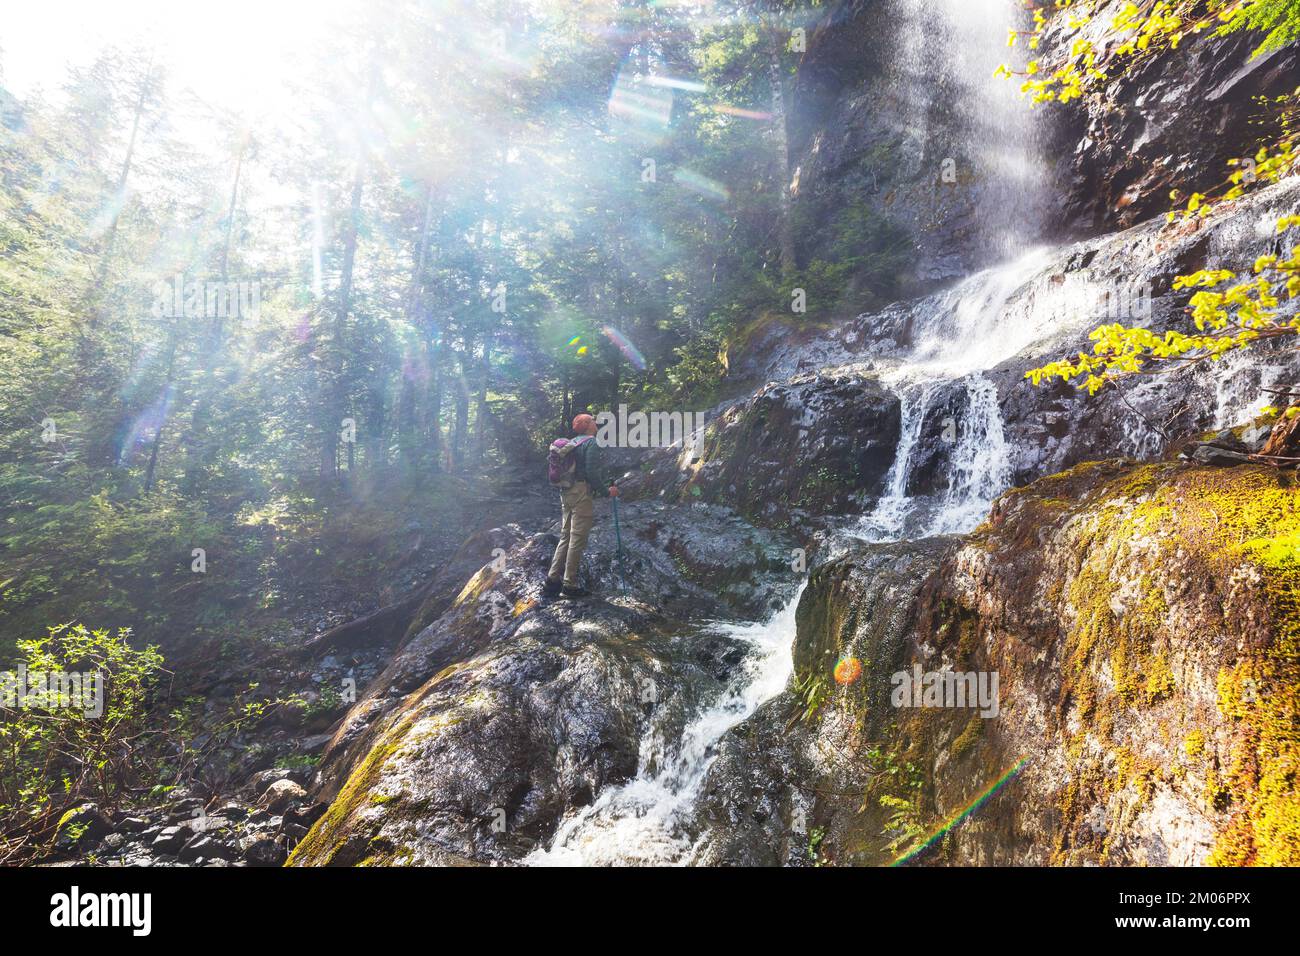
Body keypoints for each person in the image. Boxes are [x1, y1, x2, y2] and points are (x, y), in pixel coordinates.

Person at [544, 413, 619, 598]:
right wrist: (607, 492)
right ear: (587, 424)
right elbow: (592, 473)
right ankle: (569, 585)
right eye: (593, 420)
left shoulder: (573, 442)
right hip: (581, 492)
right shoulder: (591, 443)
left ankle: (552, 580)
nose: (595, 423)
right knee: (577, 538)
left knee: (565, 536)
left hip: (566, 492)